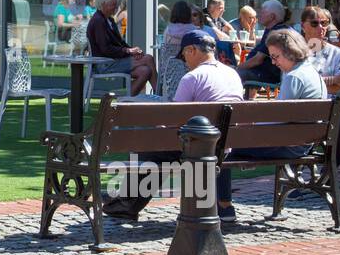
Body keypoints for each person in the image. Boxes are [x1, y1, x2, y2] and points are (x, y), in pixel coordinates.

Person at [102, 31, 243, 222]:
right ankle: (224, 207)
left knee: (149, 150)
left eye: (184, 55)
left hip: (197, 148)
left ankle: (125, 203)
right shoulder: (232, 73)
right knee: (159, 149)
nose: (184, 61)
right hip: (226, 145)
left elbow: (173, 122)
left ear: (191, 50)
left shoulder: (192, 78)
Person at [215, 27, 324, 220]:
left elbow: (277, 120)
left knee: (222, 148)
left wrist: (252, 126)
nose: (273, 62)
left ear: (290, 52)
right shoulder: (310, 71)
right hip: (305, 142)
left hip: (289, 145)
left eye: (276, 57)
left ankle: (224, 208)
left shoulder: (294, 77)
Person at [302, 5, 340, 164]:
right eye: (315, 23)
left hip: (333, 106)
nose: (321, 27)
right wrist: (331, 80)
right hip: (305, 105)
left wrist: (314, 82)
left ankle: (329, 169)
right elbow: (299, 85)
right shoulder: (296, 52)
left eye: (325, 23)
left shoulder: (336, 52)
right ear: (303, 26)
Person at [85, 0, 155, 95]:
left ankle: (123, 101)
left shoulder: (109, 20)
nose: (115, 8)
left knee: (145, 71)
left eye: (116, 5)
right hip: (104, 64)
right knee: (148, 59)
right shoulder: (98, 21)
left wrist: (132, 51)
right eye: (112, 5)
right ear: (103, 4)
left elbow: (120, 43)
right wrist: (128, 51)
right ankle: (161, 96)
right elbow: (105, 49)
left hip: (113, 60)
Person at [237, 0, 290, 86]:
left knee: (232, 75)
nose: (259, 15)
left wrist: (236, 68)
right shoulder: (274, 29)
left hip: (269, 76)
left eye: (263, 12)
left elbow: (257, 60)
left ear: (272, 17)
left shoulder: (275, 33)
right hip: (264, 72)